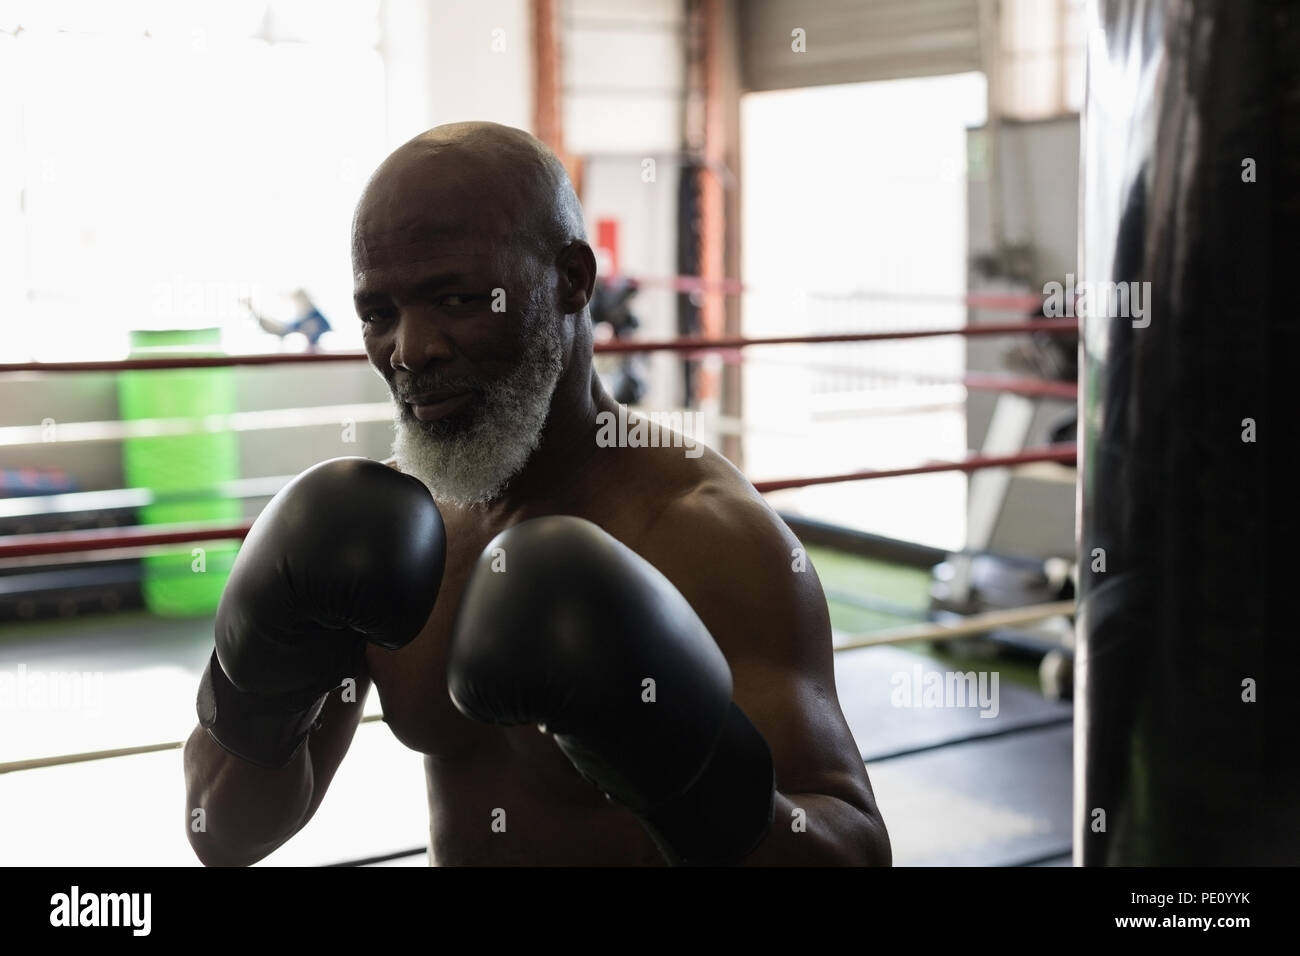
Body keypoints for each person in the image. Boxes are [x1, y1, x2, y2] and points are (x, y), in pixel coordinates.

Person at [184, 121, 890, 866]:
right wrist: (257, 687)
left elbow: (853, 854)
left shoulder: (707, 536)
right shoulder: (383, 535)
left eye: (454, 298)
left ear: (571, 281)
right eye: (379, 313)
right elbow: (221, 834)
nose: (409, 349)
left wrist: (692, 777)